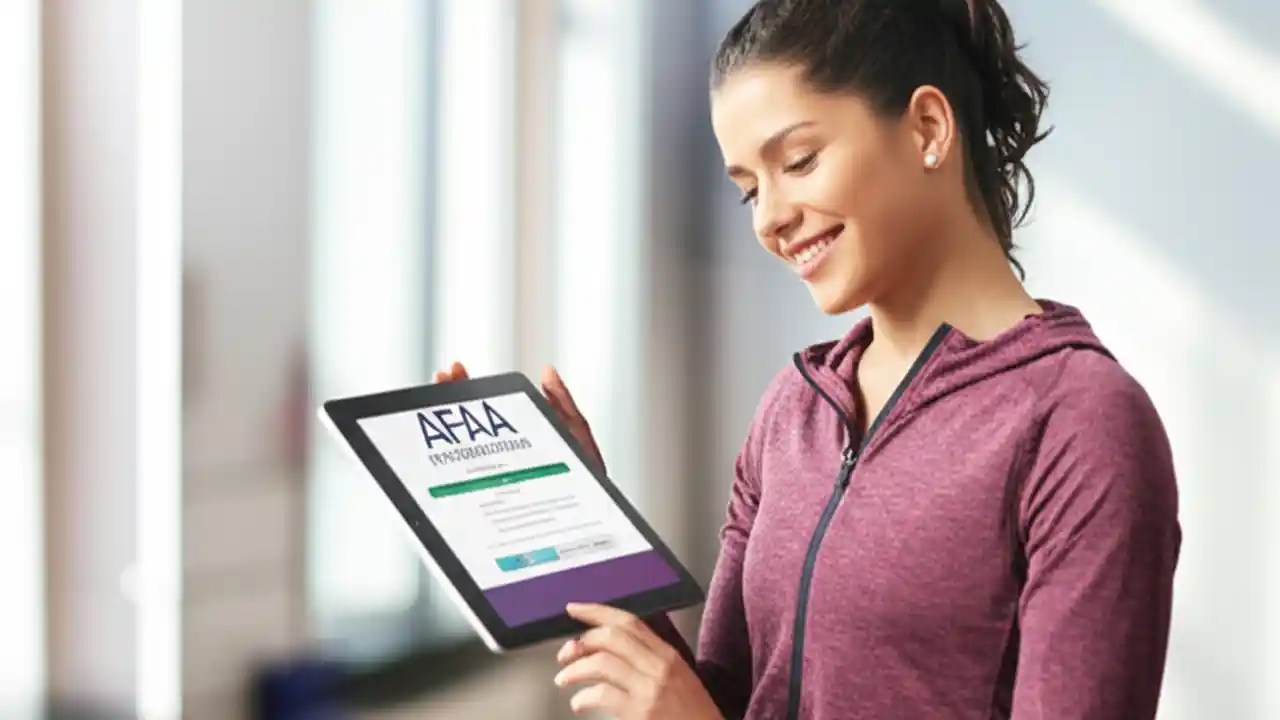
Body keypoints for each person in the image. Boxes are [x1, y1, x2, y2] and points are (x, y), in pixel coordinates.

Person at [435, 0, 1181, 717]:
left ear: (926, 127)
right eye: (748, 190)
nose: (770, 218)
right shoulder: (794, 410)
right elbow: (725, 702)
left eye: (798, 160)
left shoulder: (1080, 421)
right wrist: (582, 513)